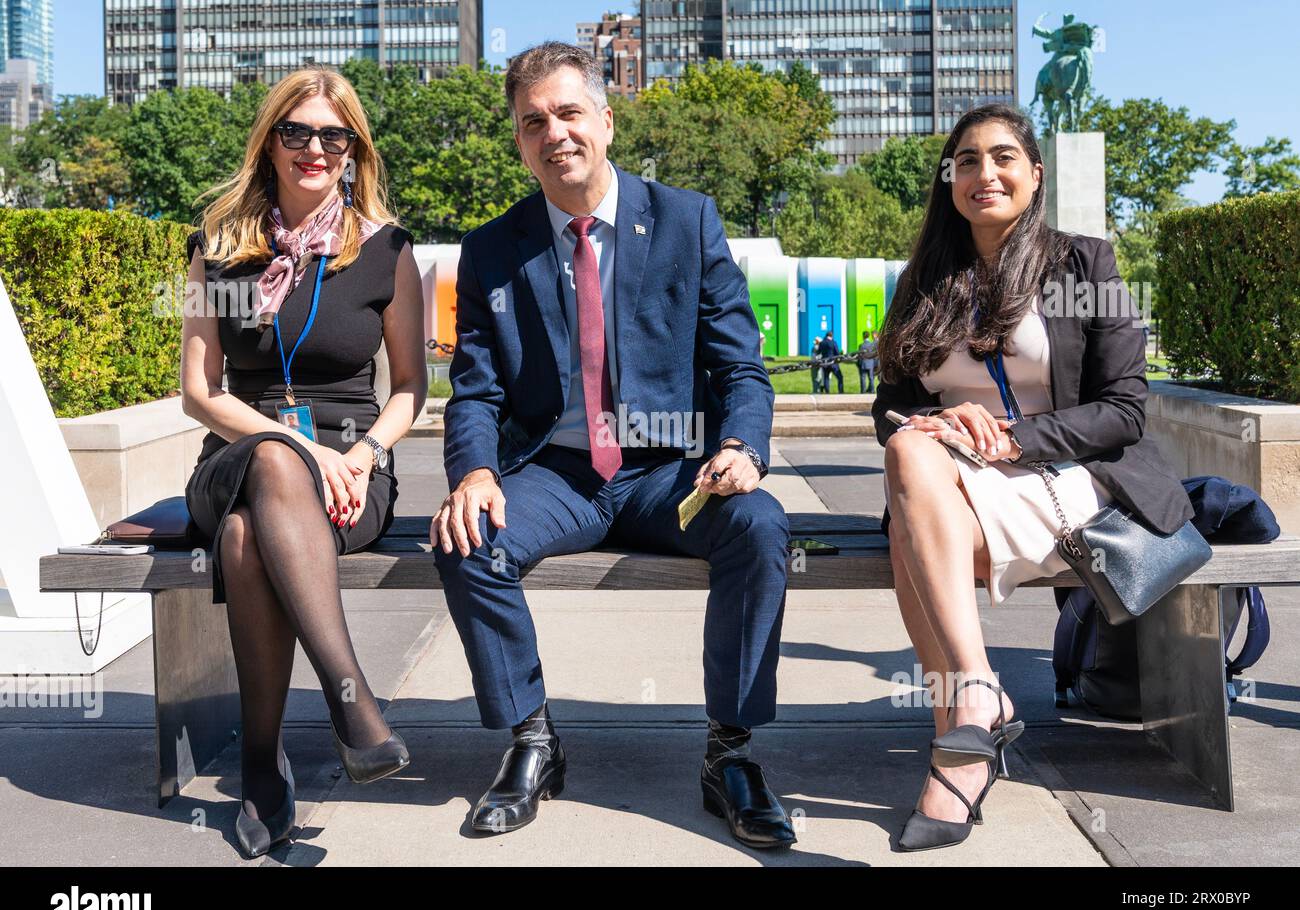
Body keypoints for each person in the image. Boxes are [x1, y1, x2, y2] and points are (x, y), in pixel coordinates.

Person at [432, 42, 796, 850]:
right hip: (557, 475)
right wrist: (476, 473)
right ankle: (533, 743)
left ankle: (729, 754)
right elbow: (476, 390)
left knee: (762, 526)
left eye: (568, 113)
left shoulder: (685, 219)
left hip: (670, 472)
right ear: (519, 142)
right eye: (533, 123)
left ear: (605, 119)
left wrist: (743, 446)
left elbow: (742, 367)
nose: (554, 133)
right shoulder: (492, 248)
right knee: (466, 539)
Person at [871, 103, 1193, 851]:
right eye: (968, 161)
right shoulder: (924, 279)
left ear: (1034, 173)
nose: (986, 173)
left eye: (1003, 157)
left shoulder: (1088, 263)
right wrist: (934, 423)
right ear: (950, 178)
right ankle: (974, 705)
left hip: (1069, 476)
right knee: (912, 457)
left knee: (912, 536)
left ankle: (959, 730)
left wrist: (1015, 438)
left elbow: (1125, 410)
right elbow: (892, 405)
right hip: (942, 479)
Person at [180, 67, 427, 858]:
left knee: (249, 542)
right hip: (235, 457)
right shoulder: (219, 249)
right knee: (274, 467)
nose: (314, 148)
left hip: (356, 470)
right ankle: (351, 704)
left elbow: (411, 390)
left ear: (353, 148)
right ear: (270, 141)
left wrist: (361, 454)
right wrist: (299, 447)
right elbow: (200, 391)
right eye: (297, 132)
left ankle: (261, 767)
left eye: (333, 135)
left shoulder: (387, 250)